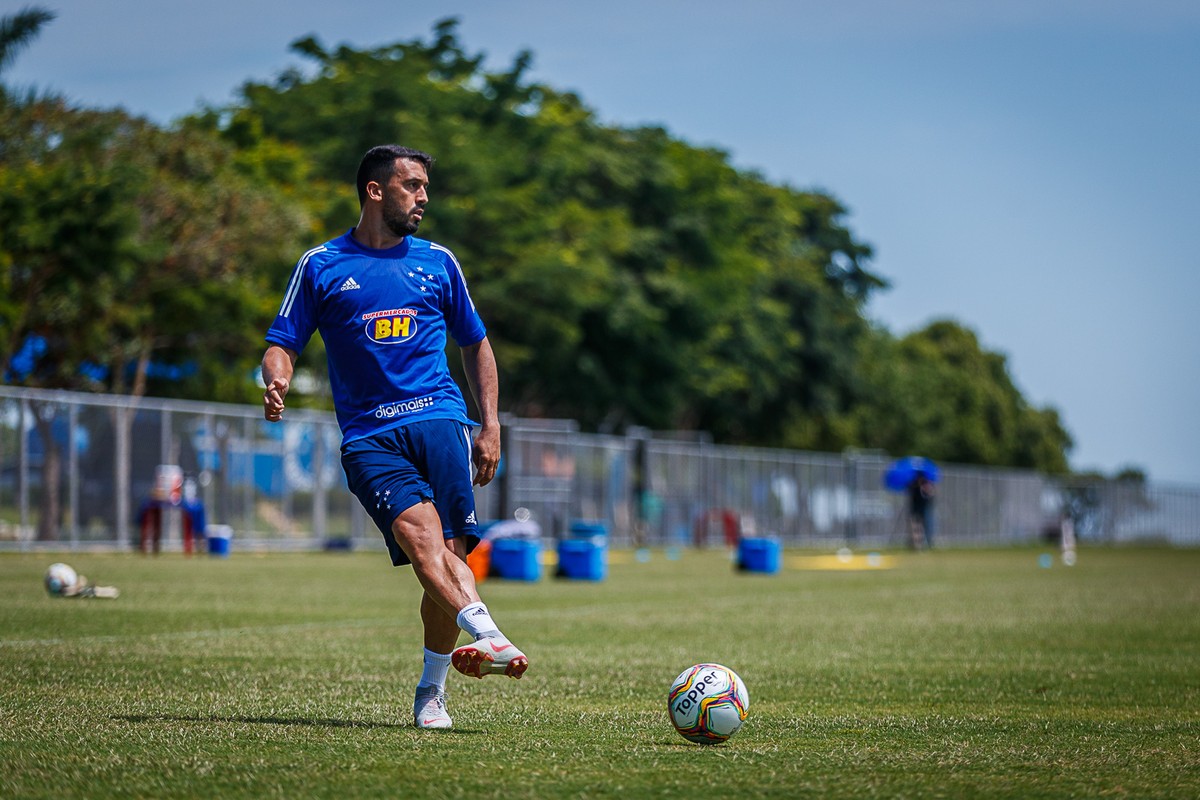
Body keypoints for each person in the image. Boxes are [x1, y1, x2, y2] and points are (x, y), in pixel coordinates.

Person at [260, 144, 527, 730]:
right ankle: (490, 634)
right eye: (412, 185)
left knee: (449, 560)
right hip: (370, 438)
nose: (424, 197)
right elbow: (283, 340)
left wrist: (490, 424)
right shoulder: (321, 265)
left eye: (425, 187)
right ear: (375, 191)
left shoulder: (438, 263)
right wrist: (276, 379)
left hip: (442, 424)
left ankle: (431, 691)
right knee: (420, 541)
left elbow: (475, 343)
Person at [908, 474, 936, 549]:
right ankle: (916, 545)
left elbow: (930, 496)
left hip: (924, 510)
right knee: (916, 528)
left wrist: (926, 489)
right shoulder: (913, 487)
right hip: (915, 510)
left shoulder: (926, 486)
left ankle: (927, 543)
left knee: (927, 526)